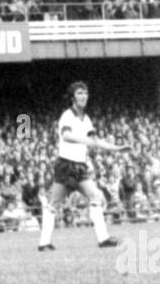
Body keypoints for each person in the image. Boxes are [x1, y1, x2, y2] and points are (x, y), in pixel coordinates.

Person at [39, 81, 130, 251]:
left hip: (80, 167)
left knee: (96, 197)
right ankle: (44, 243)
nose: (84, 96)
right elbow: (66, 135)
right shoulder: (67, 115)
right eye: (80, 93)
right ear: (72, 97)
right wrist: (85, 141)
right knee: (54, 204)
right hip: (66, 166)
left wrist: (117, 148)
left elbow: (95, 142)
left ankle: (103, 239)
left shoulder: (86, 119)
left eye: (85, 93)